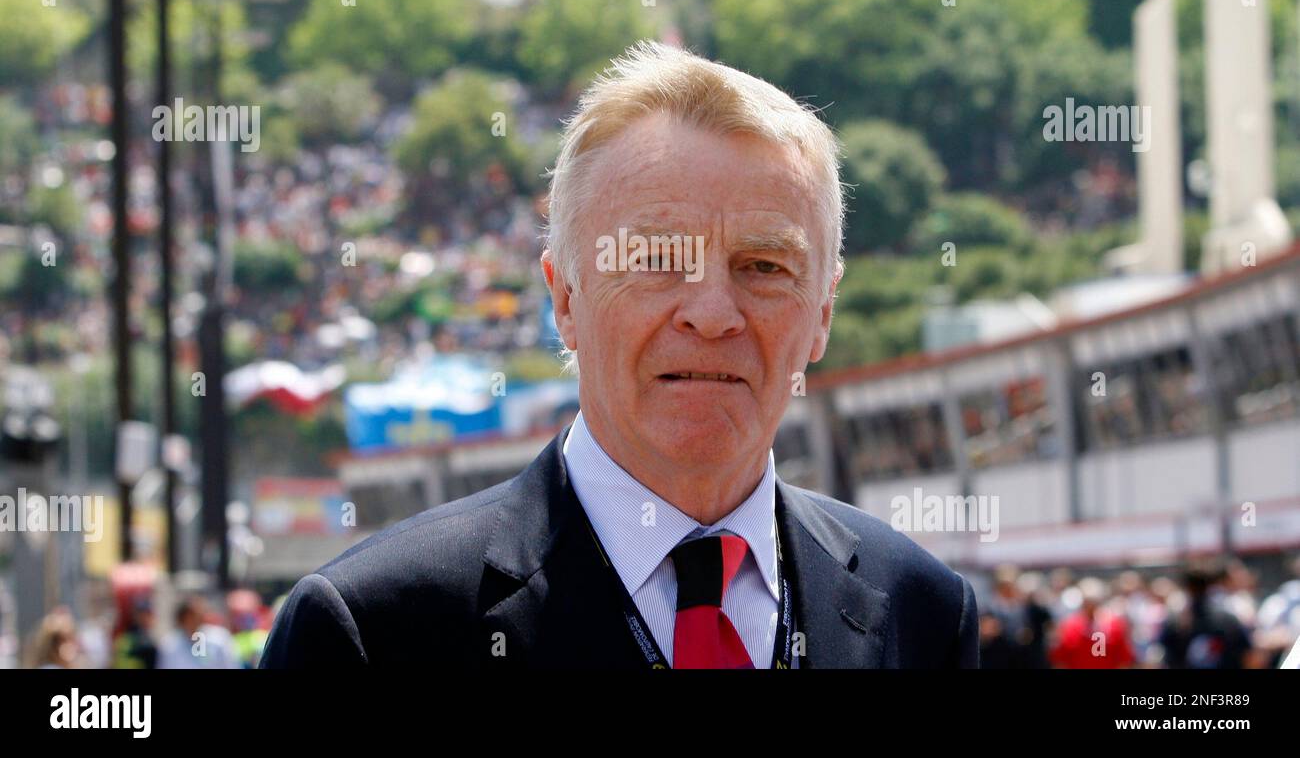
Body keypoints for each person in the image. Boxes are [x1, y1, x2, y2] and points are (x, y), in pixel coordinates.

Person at [261, 40, 979, 669]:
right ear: (565, 298)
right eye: (657, 258)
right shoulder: (372, 632)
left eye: (764, 266)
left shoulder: (923, 613)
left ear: (821, 311)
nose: (711, 313)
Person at [158, 596, 240, 669]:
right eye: (191, 616)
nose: (195, 620)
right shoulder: (169, 644)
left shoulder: (219, 638)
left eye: (198, 614)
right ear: (182, 618)